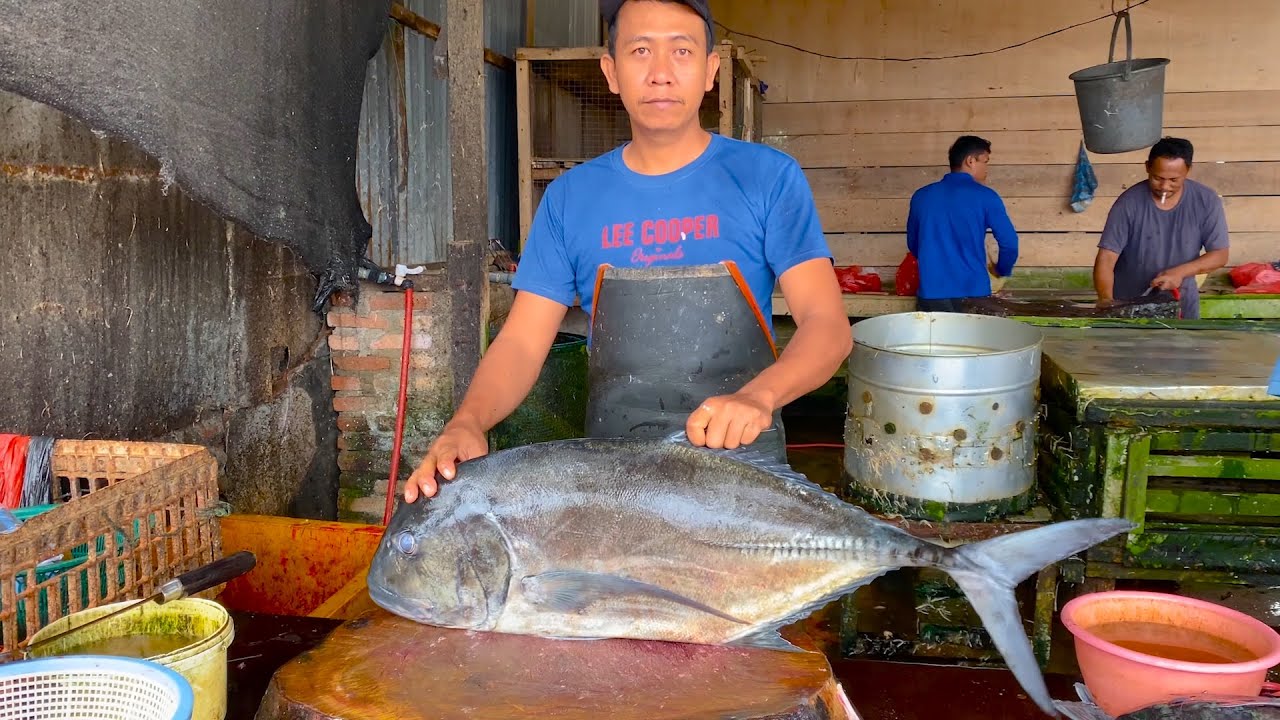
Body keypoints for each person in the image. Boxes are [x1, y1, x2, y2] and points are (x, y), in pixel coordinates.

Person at [404, 0, 852, 502]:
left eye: (681, 51)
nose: (661, 73)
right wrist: (467, 421)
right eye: (641, 50)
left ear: (710, 70)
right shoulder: (571, 198)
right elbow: (522, 343)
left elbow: (827, 326)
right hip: (618, 488)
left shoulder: (769, 178)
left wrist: (758, 396)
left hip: (746, 480)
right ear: (611, 72)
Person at [1092, 137, 1229, 319]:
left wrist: (1180, 272)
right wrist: (1107, 303)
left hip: (1182, 304)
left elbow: (1220, 255)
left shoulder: (1206, 201)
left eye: (1174, 180)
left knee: (1181, 345)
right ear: (1147, 167)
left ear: (1188, 170)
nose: (1165, 186)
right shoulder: (1128, 203)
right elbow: (1106, 259)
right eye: (1157, 178)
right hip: (1129, 305)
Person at [906, 136, 1019, 312]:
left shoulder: (921, 196)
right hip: (974, 292)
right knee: (974, 340)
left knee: (937, 340)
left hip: (932, 293)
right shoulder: (986, 196)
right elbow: (1009, 243)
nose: (986, 169)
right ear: (970, 161)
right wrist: (1002, 270)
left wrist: (936, 262)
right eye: (985, 162)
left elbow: (914, 245)